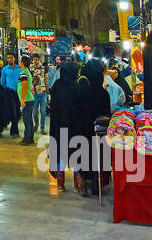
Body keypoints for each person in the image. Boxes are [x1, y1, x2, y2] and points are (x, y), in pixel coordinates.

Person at [68, 59, 113, 198]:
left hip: (83, 130)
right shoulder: (104, 94)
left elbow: (75, 111)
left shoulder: (81, 91)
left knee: (84, 156)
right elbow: (106, 114)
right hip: (99, 132)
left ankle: (85, 184)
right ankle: (97, 183)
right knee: (98, 158)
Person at [46, 58, 78, 189]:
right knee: (76, 154)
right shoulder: (76, 87)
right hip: (73, 126)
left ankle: (60, 183)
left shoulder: (57, 86)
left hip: (58, 125)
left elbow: (53, 107)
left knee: (60, 153)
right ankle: (78, 184)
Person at [29, 54, 49, 135]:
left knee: (43, 111)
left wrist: (47, 90)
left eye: (36, 59)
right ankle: (36, 123)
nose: (35, 61)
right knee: (34, 112)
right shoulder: (30, 68)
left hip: (43, 92)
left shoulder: (44, 68)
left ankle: (42, 128)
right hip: (34, 93)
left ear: (39, 59)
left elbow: (45, 79)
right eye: (34, 59)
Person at [17, 63, 36, 145]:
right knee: (29, 120)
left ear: (23, 63)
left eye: (20, 61)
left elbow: (24, 86)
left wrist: (22, 99)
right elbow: (30, 86)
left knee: (27, 120)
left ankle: (27, 139)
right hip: (29, 98)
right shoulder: (27, 71)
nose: (19, 63)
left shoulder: (24, 72)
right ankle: (30, 138)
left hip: (27, 99)